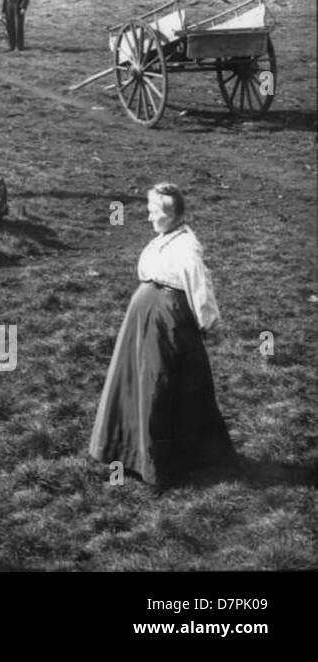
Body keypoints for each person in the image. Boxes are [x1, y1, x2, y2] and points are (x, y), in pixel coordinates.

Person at [89, 183, 237, 493]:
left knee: (158, 383)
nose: (149, 218)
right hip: (144, 318)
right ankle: (125, 448)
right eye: (150, 211)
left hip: (167, 322)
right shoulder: (165, 238)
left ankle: (164, 459)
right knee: (134, 380)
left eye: (154, 213)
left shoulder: (186, 247)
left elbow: (200, 287)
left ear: (171, 216)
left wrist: (209, 323)